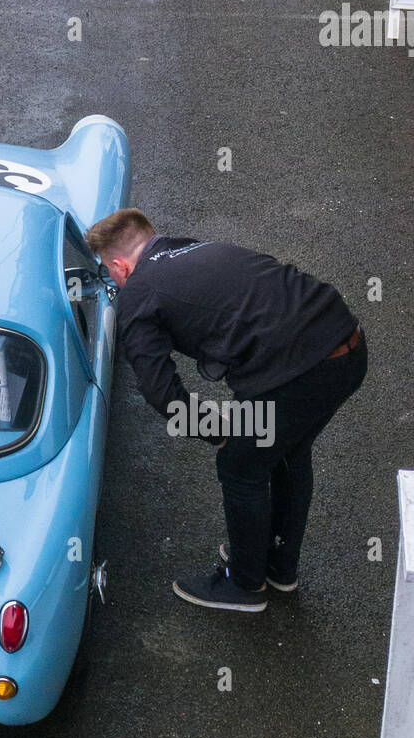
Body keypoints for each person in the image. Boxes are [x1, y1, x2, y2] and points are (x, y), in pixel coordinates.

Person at [87, 208, 367, 613]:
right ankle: (277, 566)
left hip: (301, 372)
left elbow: (162, 394)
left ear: (119, 265)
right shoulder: (189, 248)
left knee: (240, 465)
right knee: (287, 450)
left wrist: (216, 430)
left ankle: (245, 584)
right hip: (348, 346)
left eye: (108, 273)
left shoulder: (137, 292)